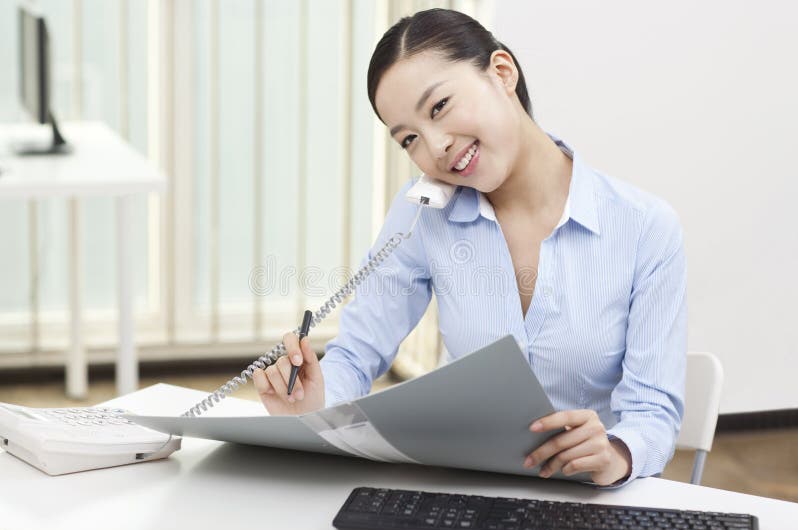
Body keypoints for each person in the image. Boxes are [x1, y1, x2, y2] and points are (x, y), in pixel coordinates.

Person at [252, 8, 686, 487]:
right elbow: (356, 354)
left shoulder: (645, 228)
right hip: (458, 491)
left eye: (439, 107)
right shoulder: (423, 213)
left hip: (584, 499)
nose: (435, 147)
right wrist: (313, 404)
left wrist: (615, 454)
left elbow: (653, 412)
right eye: (410, 138)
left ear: (502, 73)